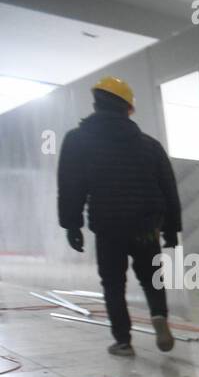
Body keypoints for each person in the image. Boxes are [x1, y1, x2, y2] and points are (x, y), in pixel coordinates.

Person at [56, 76, 180, 356]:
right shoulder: (148, 145)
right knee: (151, 276)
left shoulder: (78, 140)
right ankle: (159, 315)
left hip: (109, 224)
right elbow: (167, 186)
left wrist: (71, 225)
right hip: (146, 225)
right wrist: (172, 228)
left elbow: (71, 184)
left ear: (97, 104)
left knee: (113, 282)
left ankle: (123, 341)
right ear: (127, 109)